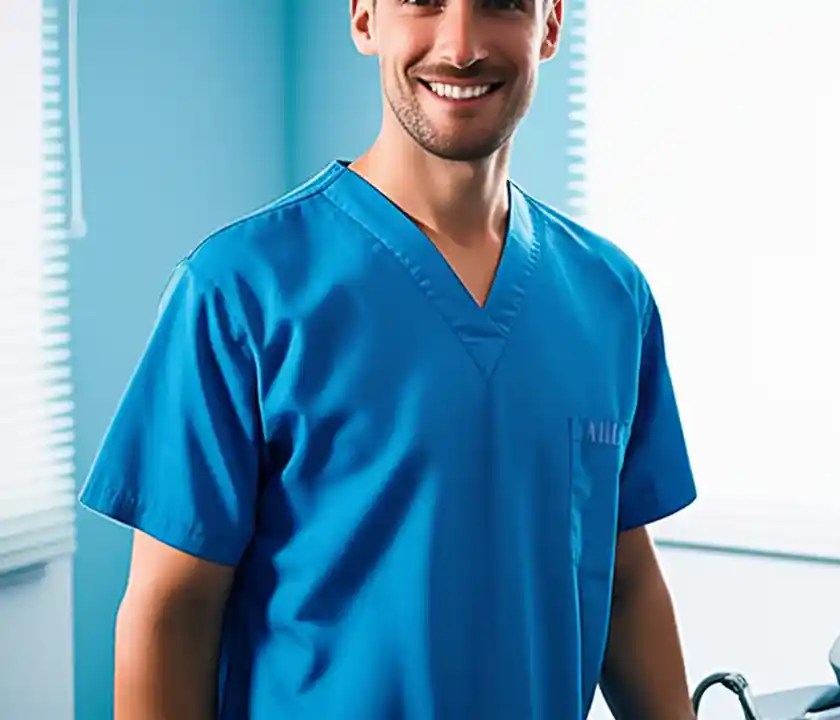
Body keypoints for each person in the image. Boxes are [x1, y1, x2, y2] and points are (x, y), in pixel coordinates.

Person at [77, 1, 700, 718]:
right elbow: (172, 613)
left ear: (550, 25)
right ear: (366, 18)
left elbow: (622, 575)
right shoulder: (237, 291)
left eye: (500, 4)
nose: (461, 46)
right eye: (424, 3)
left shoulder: (610, 296)